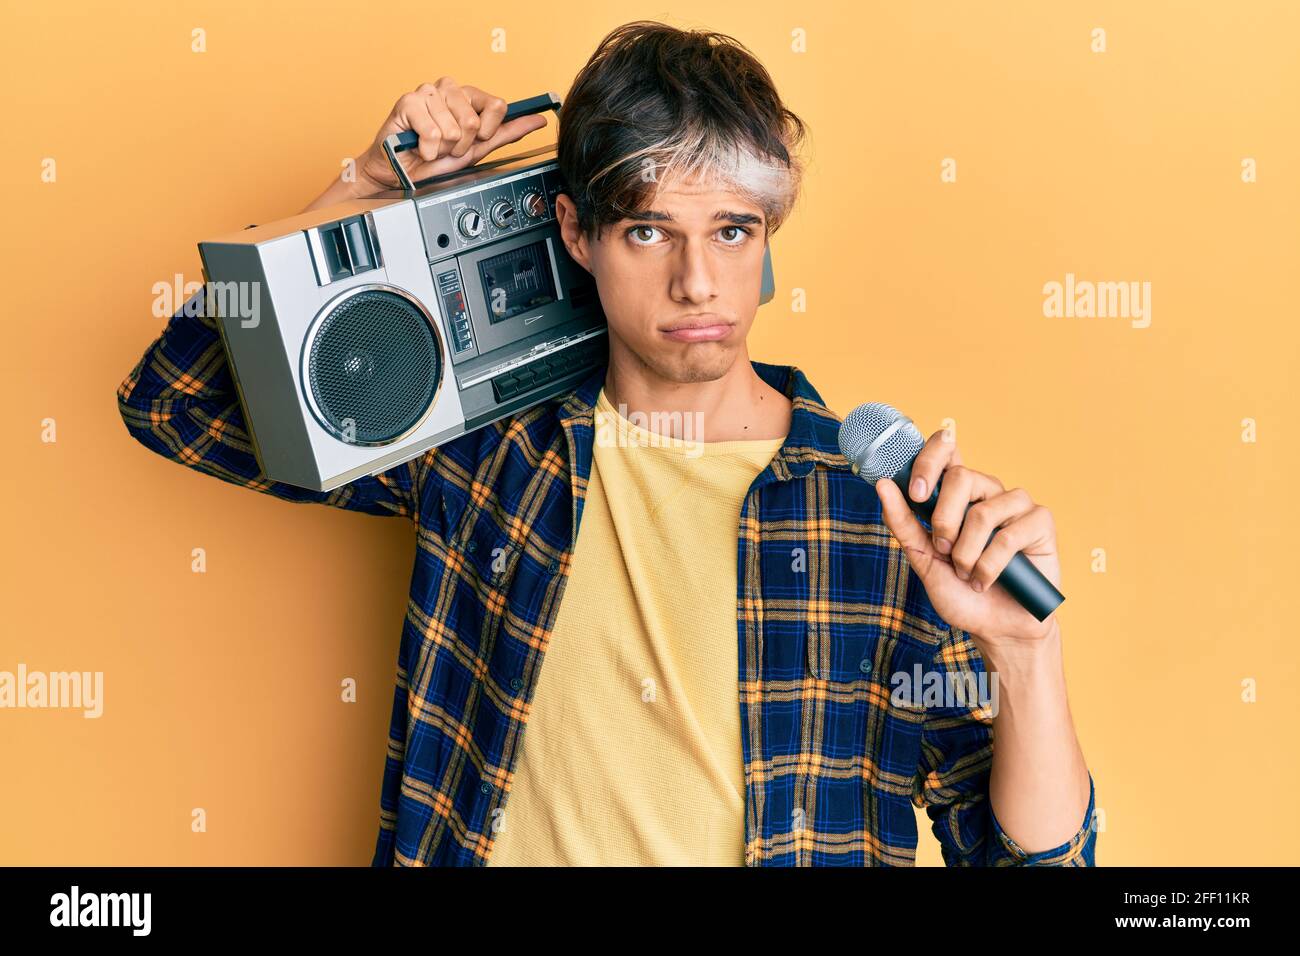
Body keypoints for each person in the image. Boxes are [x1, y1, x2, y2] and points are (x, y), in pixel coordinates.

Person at [117, 20, 1095, 866]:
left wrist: (1026, 653)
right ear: (575, 232)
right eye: (647, 232)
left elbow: (1030, 855)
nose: (696, 283)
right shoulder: (488, 448)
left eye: (731, 231)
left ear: (768, 238)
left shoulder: (879, 509)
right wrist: (368, 185)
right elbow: (178, 397)